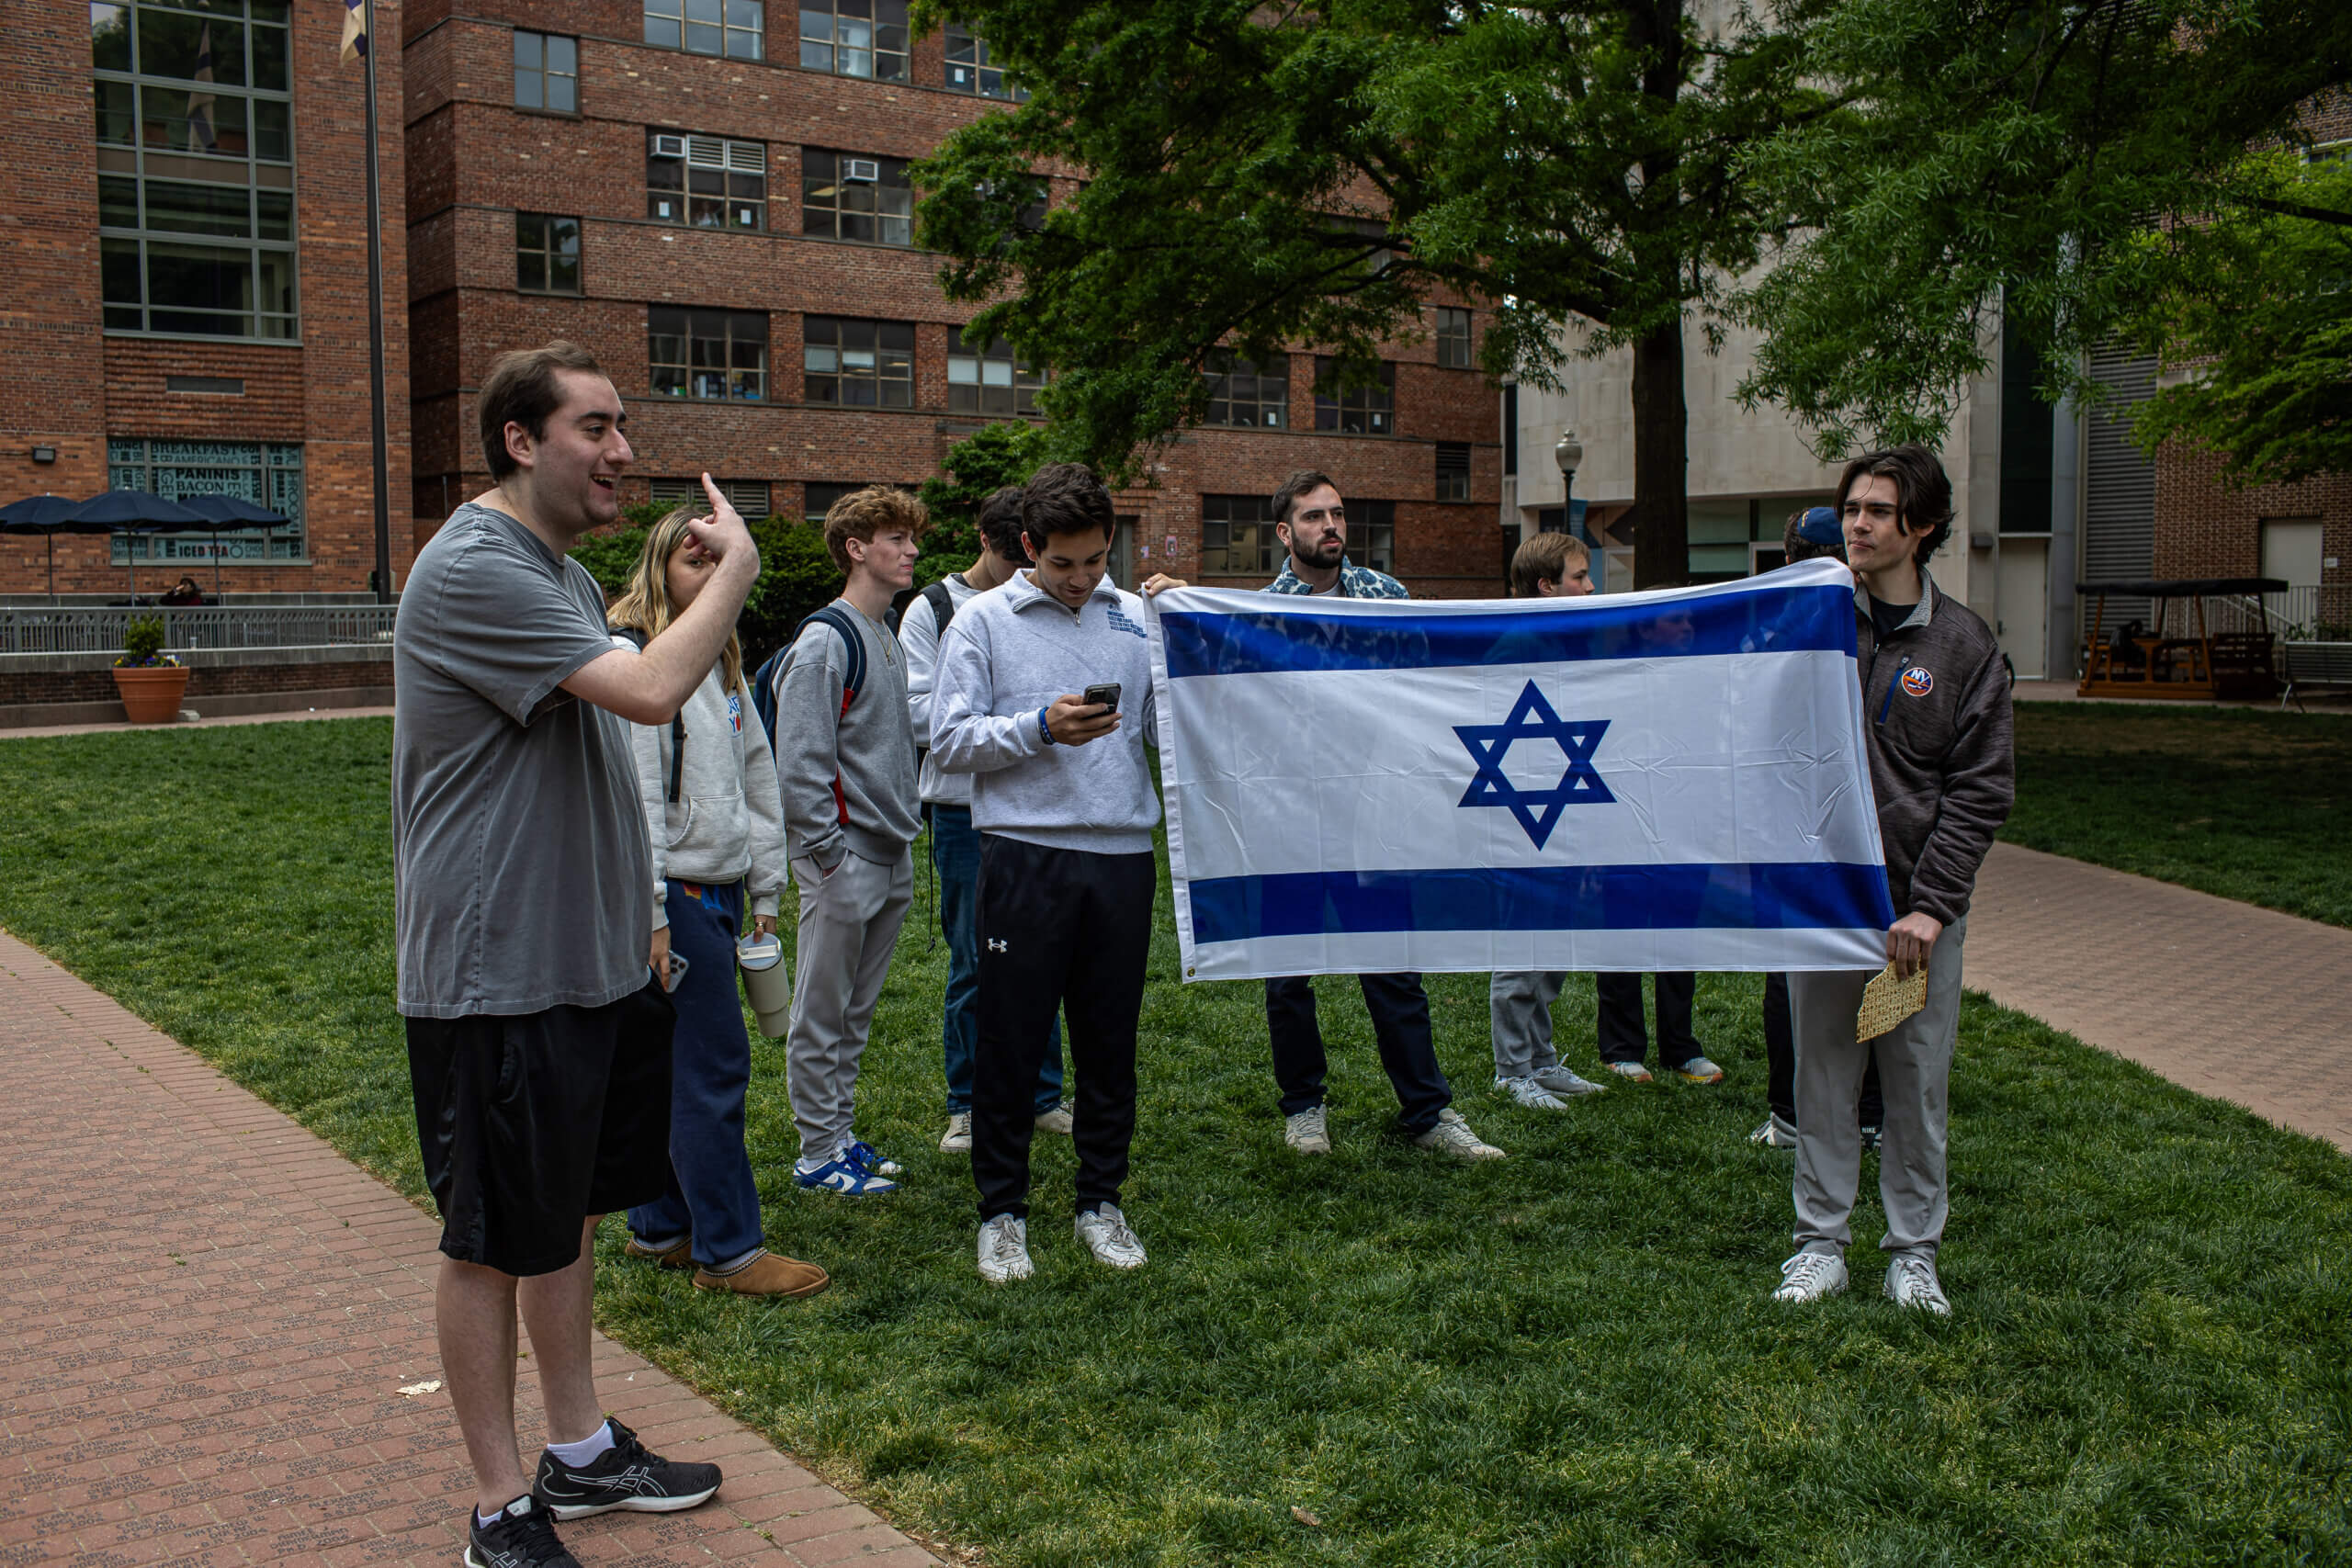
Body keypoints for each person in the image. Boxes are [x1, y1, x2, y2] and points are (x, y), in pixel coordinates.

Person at [393, 341, 758, 1566]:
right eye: (595, 429)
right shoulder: (476, 566)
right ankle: (502, 1505)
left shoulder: (544, 570)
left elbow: (603, 709)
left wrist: (641, 912)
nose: (622, 452)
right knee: (494, 1233)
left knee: (567, 1217)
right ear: (519, 440)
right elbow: (653, 688)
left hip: (588, 957)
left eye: (622, 428)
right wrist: (739, 573)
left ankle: (583, 1445)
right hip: (498, 971)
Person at [930, 462, 1185, 1282]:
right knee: (1009, 1045)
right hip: (1023, 856)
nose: (1079, 580)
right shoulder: (980, 622)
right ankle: (1002, 1214)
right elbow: (949, 740)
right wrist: (1040, 726)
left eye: (1094, 561)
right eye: (1062, 563)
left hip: (1120, 859)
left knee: (1110, 1044)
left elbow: (1162, 727)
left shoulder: (1137, 617)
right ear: (1028, 547)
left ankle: (1100, 1202)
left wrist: (1190, 635)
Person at [1772, 446, 2013, 1316]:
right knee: (1823, 1082)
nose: (1858, 524)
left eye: (1878, 511)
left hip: (1916, 921)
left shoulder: (1964, 646)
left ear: (1922, 528)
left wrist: (1932, 906)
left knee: (1915, 1087)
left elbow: (1982, 789)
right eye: (1852, 509)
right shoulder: (1812, 621)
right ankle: (1819, 1243)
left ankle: (1913, 1252)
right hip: (1828, 909)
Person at [607, 509, 827, 1298]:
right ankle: (730, 1252)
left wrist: (766, 891)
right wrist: (654, 912)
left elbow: (760, 783)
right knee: (710, 1070)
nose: (708, 571)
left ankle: (661, 1227)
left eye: (719, 559)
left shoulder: (726, 666)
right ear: (658, 567)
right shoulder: (635, 659)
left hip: (726, 894)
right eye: (692, 559)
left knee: (672, 1070)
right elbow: (633, 801)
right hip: (679, 902)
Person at [1261, 468, 1505, 1161]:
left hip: (1378, 811)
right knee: (1288, 971)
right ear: (1286, 532)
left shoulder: (1386, 595)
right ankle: (1304, 1107)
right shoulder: (1259, 614)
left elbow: (1426, 690)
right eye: (1313, 517)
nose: (1330, 526)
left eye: (1337, 513)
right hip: (1292, 816)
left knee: (1393, 966)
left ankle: (1428, 1112)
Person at [899, 484, 1072, 1154]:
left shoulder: (1043, 598)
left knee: (1045, 951)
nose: (1016, 574)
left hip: (1034, 803)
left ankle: (1044, 1095)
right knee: (975, 958)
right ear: (985, 542)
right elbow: (916, 714)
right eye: (1007, 560)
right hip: (961, 808)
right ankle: (967, 1103)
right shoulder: (934, 609)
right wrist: (991, 711)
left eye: (1024, 559)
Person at [771, 486, 927, 1196]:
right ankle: (815, 1155)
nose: (912, 549)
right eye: (895, 538)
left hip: (890, 853)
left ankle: (840, 1135)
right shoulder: (826, 640)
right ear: (856, 547)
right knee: (821, 1009)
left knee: (854, 1012)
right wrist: (829, 854)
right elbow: (801, 760)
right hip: (845, 857)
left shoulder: (885, 634)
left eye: (912, 538)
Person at [1753, 507, 1883, 1150]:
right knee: (1873, 965)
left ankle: (1792, 1113)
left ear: (1788, 555)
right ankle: (1870, 1112)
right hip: (1865, 821)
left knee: (1794, 971)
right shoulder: (1881, 623)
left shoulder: (1772, 628)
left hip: (1802, 820)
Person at [1486, 531, 1609, 1111]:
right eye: (1580, 576)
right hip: (1520, 812)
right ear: (1546, 585)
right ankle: (1511, 1069)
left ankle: (1540, 1058)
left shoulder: (1577, 641)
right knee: (1520, 942)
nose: (1591, 586)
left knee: (1555, 941)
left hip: (1566, 808)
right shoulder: (1510, 645)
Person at [1593, 591, 1727, 1089]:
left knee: (1678, 940)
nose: (1688, 627)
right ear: (1649, 629)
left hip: (1684, 828)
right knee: (1623, 938)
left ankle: (1680, 1046)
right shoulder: (1618, 680)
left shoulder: (1700, 681)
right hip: (1622, 829)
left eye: (1691, 620)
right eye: (1677, 620)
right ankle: (1621, 1049)